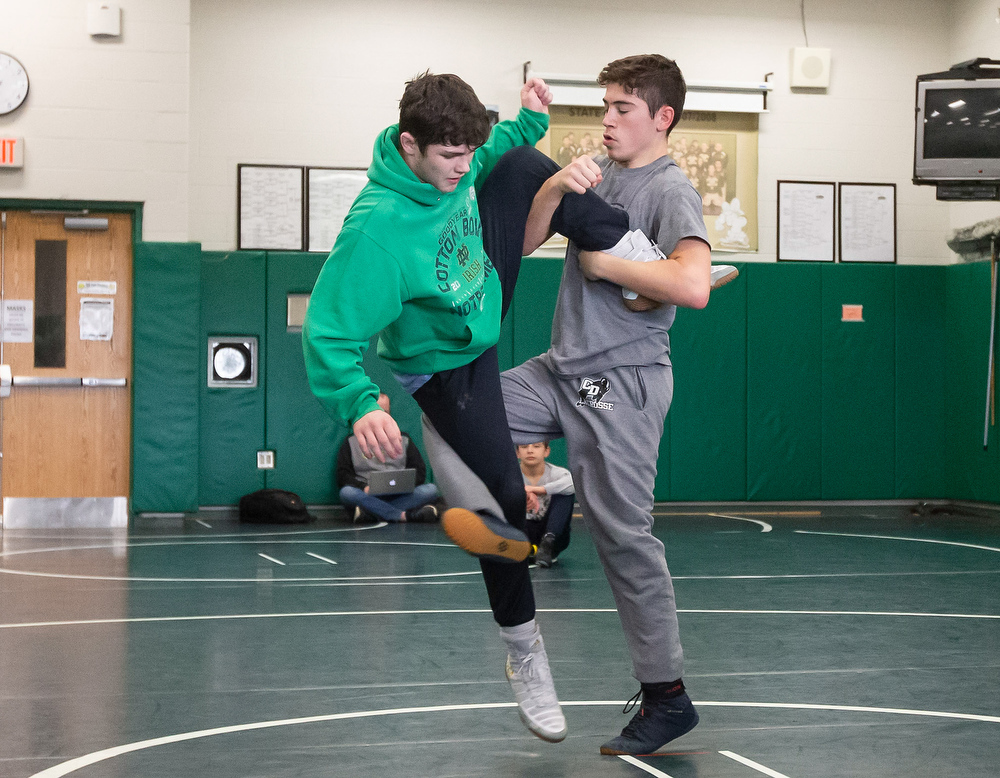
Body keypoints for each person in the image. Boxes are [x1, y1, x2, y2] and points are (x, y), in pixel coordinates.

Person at [303, 71, 639, 745]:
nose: (460, 168)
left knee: (520, 166)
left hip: (482, 286)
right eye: (448, 157)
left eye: (465, 154)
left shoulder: (462, 161)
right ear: (409, 145)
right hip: (445, 365)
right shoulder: (377, 229)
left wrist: (529, 121)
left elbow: (496, 151)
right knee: (510, 508)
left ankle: (638, 253)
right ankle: (526, 650)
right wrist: (361, 403)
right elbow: (327, 330)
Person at [492, 53, 710, 756]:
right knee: (464, 404)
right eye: (604, 106)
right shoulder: (599, 173)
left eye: (622, 109)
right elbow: (524, 243)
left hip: (623, 383)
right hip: (563, 371)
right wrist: (555, 183)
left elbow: (695, 286)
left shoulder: (671, 189)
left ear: (661, 118)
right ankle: (504, 514)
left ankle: (667, 698)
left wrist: (605, 262)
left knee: (622, 537)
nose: (607, 119)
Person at [336, 392, 440, 523]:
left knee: (430, 490)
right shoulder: (351, 441)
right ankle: (403, 515)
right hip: (367, 494)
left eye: (384, 411)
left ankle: (372, 513)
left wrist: (404, 485)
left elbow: (419, 471)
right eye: (376, 411)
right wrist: (364, 487)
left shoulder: (404, 439)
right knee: (347, 493)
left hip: (400, 494)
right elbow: (343, 475)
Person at [516, 440, 574, 568]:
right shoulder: (511, 474)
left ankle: (548, 542)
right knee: (506, 493)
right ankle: (526, 548)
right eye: (524, 446)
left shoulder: (557, 473)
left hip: (553, 537)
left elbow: (572, 484)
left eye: (536, 446)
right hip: (521, 532)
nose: (530, 450)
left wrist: (535, 490)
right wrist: (522, 492)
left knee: (565, 493)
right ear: (517, 453)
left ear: (546, 451)